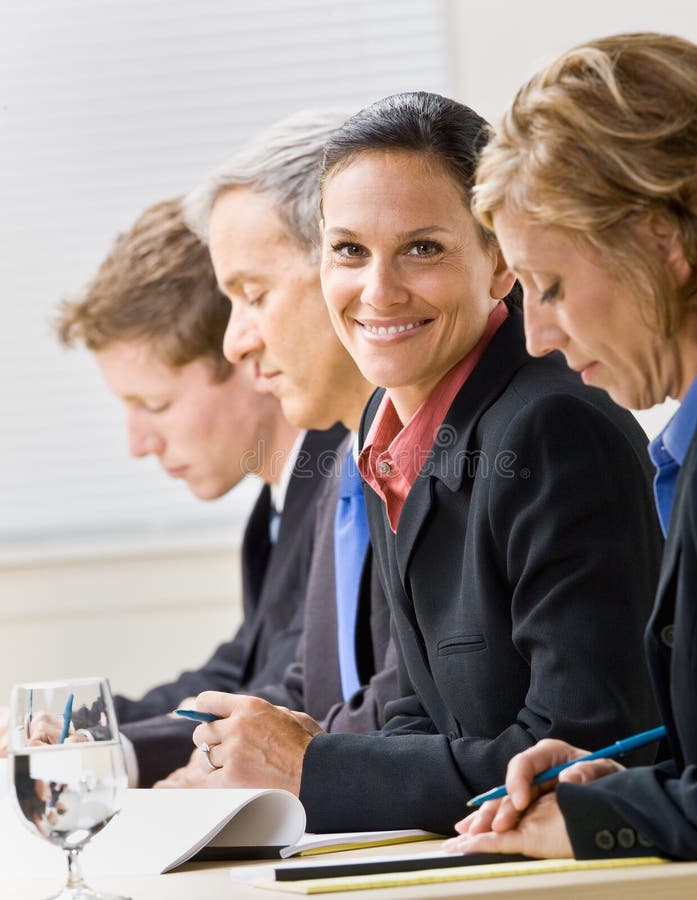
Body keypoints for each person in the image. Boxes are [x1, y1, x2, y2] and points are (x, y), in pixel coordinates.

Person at [185, 92, 663, 836]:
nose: (378, 292)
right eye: (348, 251)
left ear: (498, 260)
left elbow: (581, 742)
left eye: (422, 248)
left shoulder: (551, 428)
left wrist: (310, 768)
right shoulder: (385, 425)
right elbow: (419, 708)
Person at [447, 33, 697, 862]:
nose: (537, 334)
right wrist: (629, 775)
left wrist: (593, 821)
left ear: (668, 246)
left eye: (548, 285)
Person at [44, 196, 344, 785]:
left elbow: (282, 690)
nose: (138, 442)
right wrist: (77, 723)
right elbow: (235, 670)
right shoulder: (277, 507)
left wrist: (108, 755)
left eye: (154, 404)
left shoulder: (345, 486)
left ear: (245, 352)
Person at [152, 110, 400, 788]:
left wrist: (287, 767)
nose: (236, 345)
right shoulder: (351, 467)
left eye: (252, 296)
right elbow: (298, 693)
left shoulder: (426, 458)